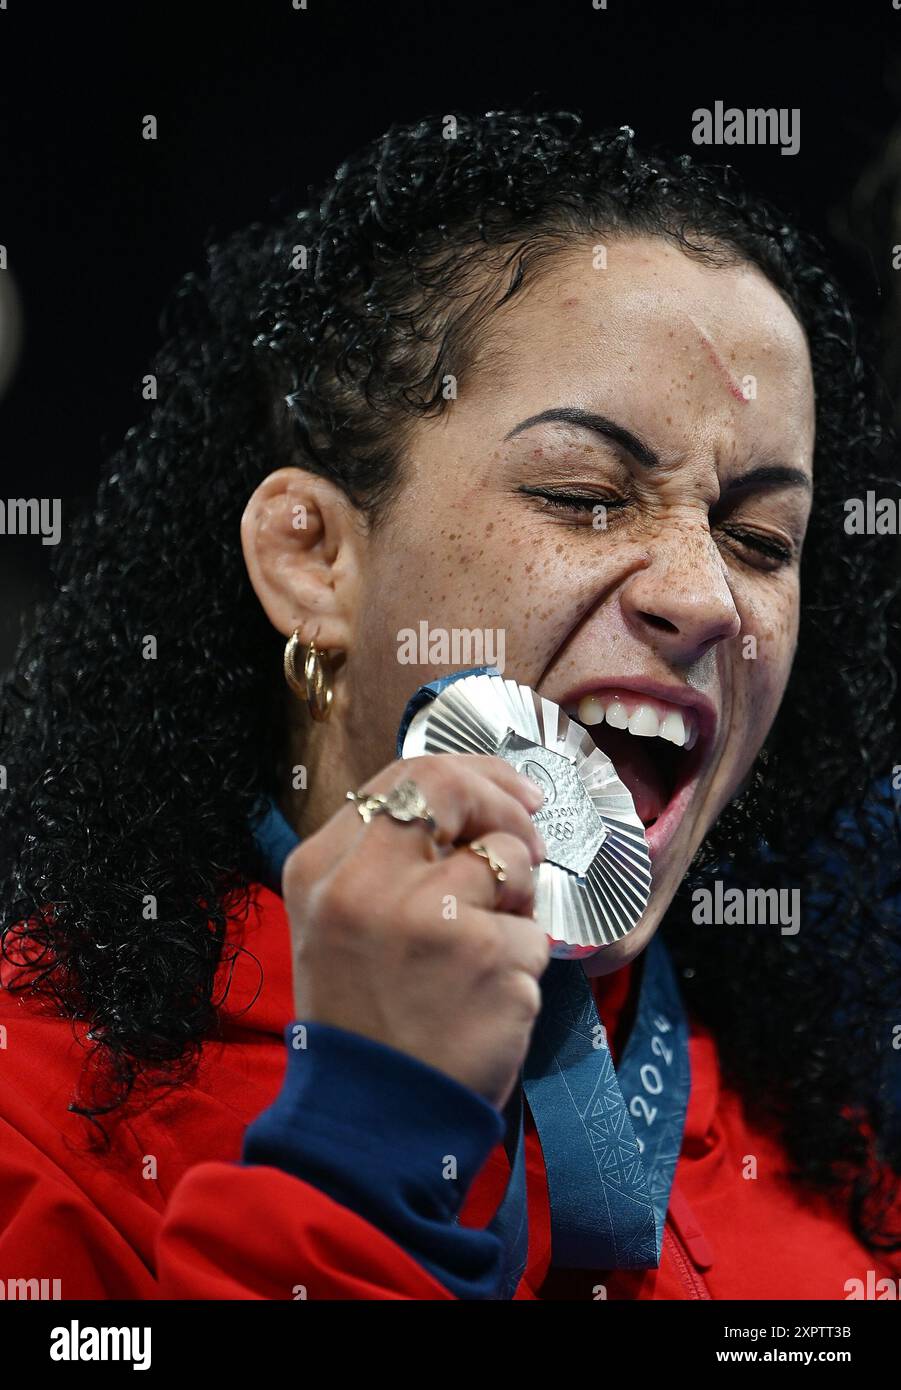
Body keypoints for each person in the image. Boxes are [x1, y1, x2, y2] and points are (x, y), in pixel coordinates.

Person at [0, 112, 898, 1301]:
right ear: (313, 557)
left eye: (758, 537)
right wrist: (360, 1156)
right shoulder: (38, 1118)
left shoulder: (831, 1163)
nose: (707, 598)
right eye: (584, 495)